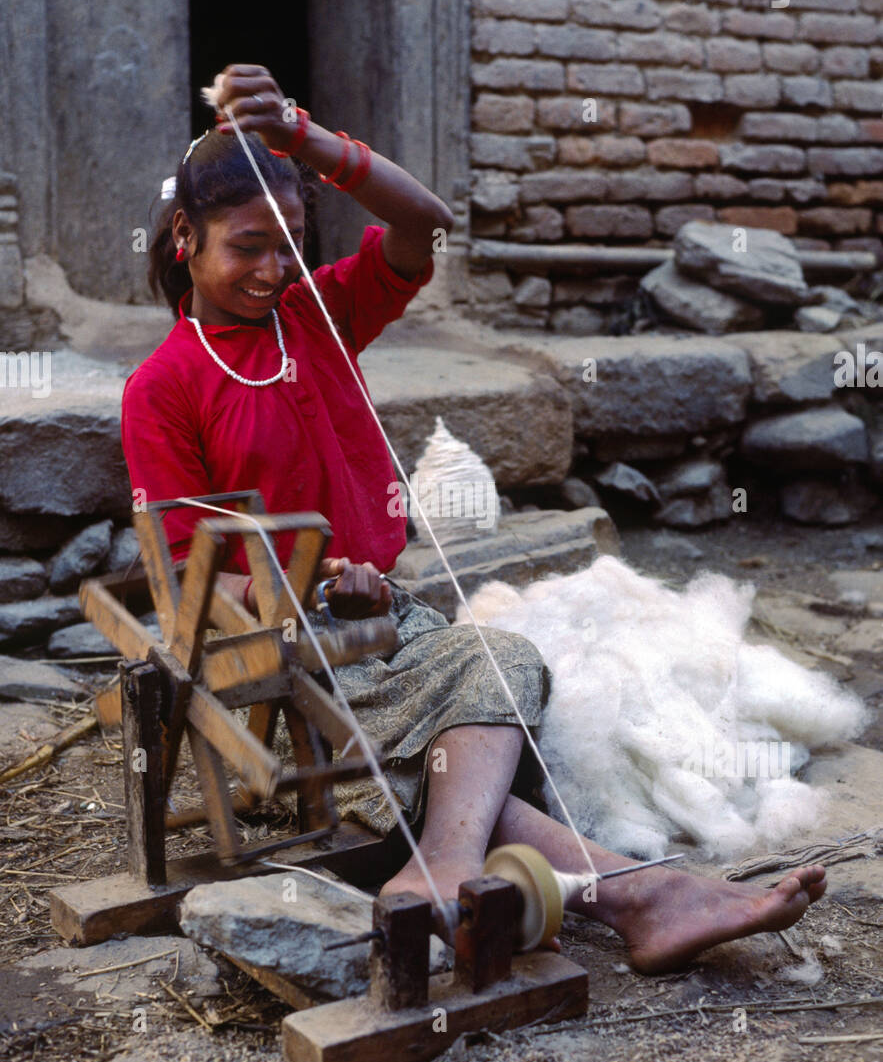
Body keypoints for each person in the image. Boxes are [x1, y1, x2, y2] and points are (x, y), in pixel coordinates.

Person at [122, 64, 827, 973]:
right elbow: (187, 570)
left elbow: (422, 224)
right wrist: (308, 586)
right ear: (184, 236)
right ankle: (631, 890)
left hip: (383, 624)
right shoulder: (162, 388)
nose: (273, 270)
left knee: (498, 665)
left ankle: (551, 882)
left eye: (292, 243)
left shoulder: (319, 313)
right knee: (478, 685)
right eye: (248, 246)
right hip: (274, 648)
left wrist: (305, 136)